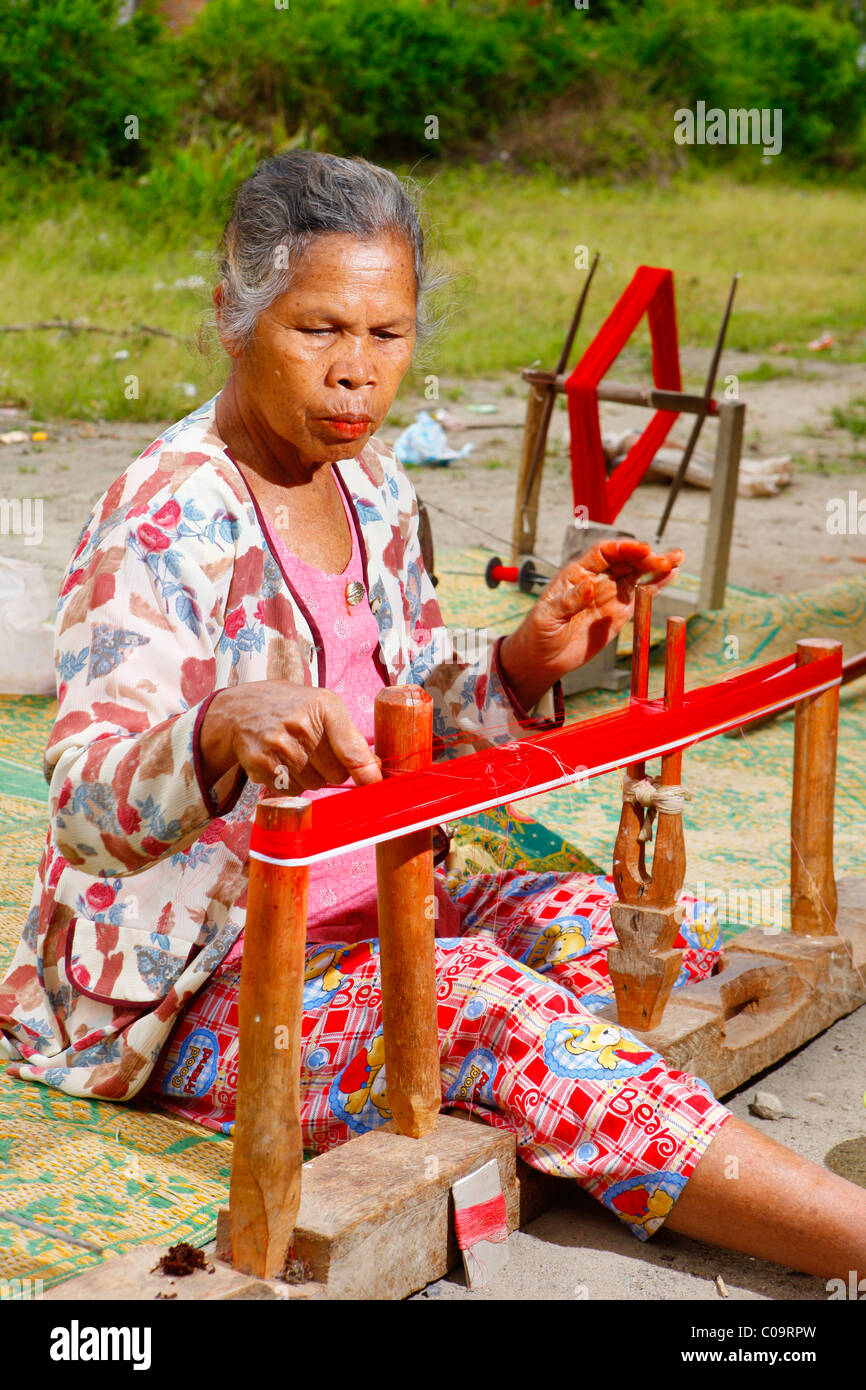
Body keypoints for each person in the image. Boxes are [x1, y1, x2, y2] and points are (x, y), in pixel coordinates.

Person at [1, 152, 863, 1281]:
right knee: (487, 1009)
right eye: (318, 330)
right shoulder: (164, 518)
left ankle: (628, 1125)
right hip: (209, 983)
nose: (356, 373)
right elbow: (82, 806)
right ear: (232, 313)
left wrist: (521, 656)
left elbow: (413, 718)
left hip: (396, 907)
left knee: (621, 922)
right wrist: (215, 728)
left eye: (386, 335)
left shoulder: (379, 494)